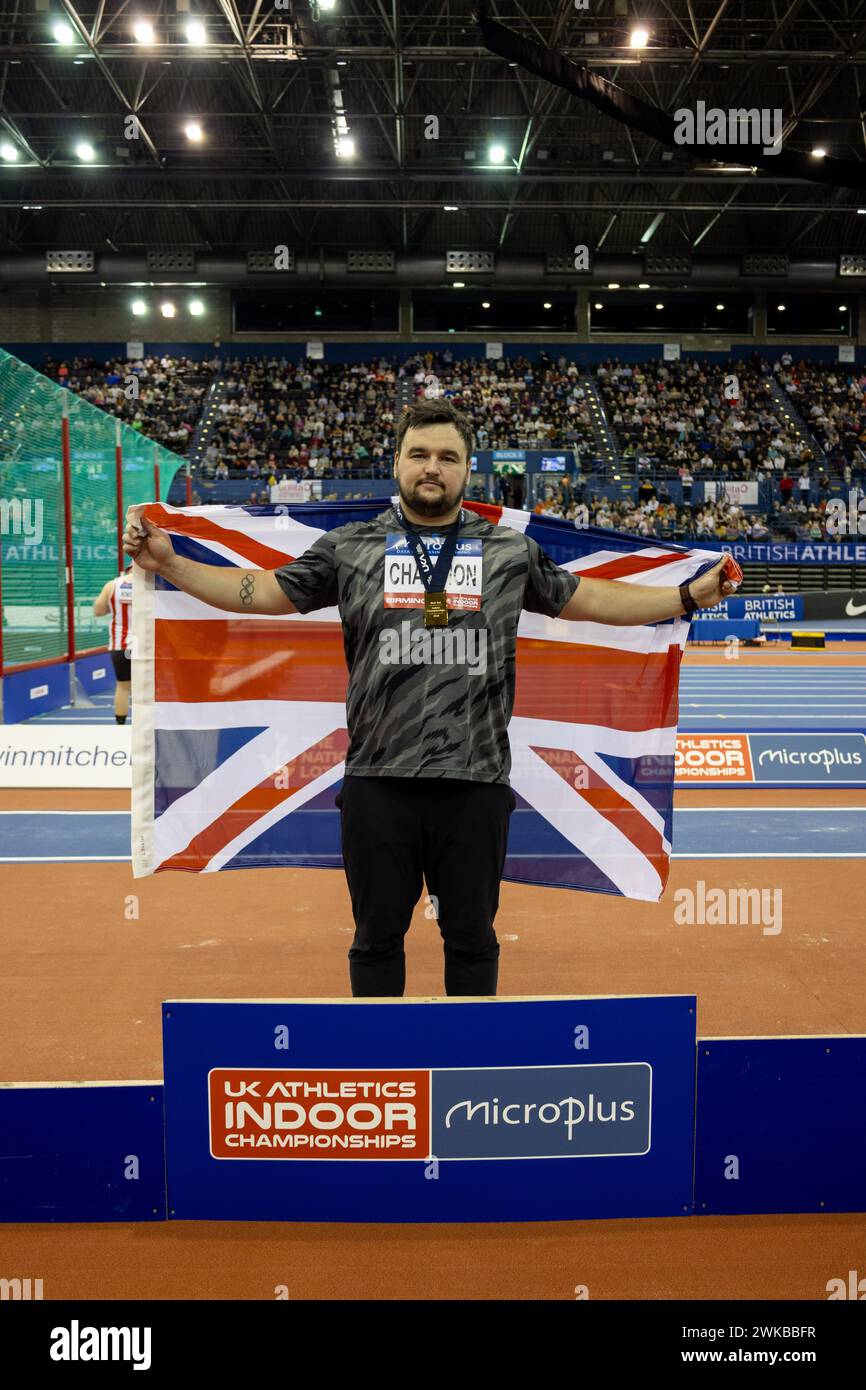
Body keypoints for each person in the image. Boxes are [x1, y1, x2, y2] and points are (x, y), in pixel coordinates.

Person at [122, 398, 735, 998]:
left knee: (472, 938)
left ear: (468, 470)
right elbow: (258, 591)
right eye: (419, 454)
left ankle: (464, 1070)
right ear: (397, 464)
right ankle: (386, 1070)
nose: (432, 467)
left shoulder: (508, 551)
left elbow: (593, 600)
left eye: (447, 456)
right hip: (377, 781)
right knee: (375, 939)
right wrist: (172, 565)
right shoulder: (351, 547)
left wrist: (686, 597)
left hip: (475, 782)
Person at [93, 564, 134, 724]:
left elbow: (98, 610)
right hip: (145, 644)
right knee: (144, 689)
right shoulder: (153, 584)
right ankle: (144, 728)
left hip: (120, 644)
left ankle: (120, 725)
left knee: (123, 687)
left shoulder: (113, 585)